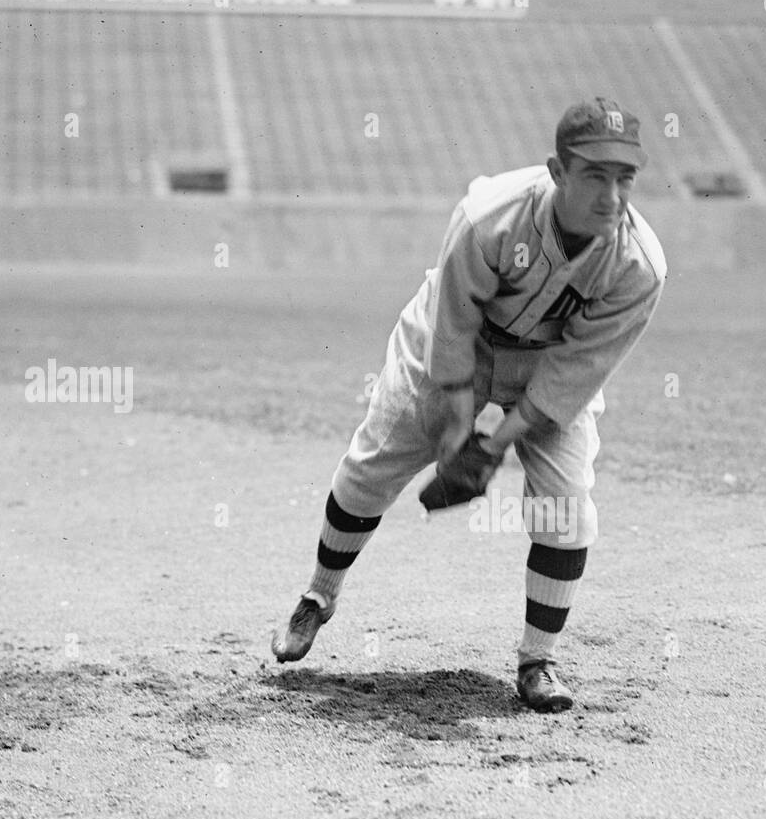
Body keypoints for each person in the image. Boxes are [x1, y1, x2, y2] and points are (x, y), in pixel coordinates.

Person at [271, 98, 667, 712]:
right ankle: (319, 597)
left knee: (567, 507)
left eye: (625, 178)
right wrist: (459, 431)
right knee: (370, 467)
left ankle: (538, 661)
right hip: (460, 342)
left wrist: (492, 447)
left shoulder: (638, 265)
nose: (611, 196)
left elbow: (572, 374)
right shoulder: (491, 217)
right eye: (595, 175)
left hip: (547, 362)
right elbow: (453, 328)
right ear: (557, 172)